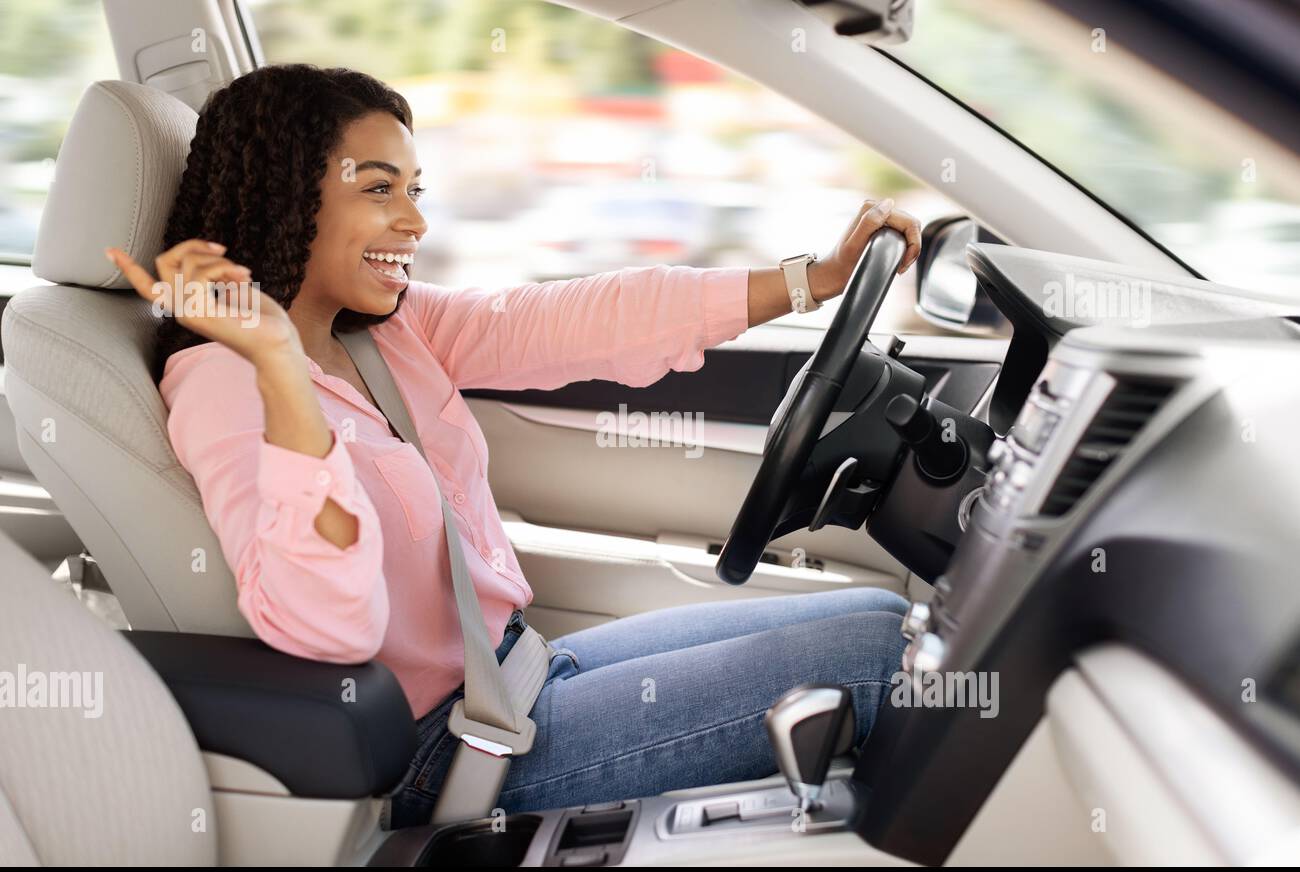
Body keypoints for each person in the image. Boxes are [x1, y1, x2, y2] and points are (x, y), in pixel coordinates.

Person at [106, 64, 923, 827]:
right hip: (450, 753)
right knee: (881, 658)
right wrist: (281, 368)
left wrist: (810, 279)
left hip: (519, 674)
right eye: (379, 189)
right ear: (287, 197)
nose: (415, 221)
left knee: (887, 616)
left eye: (415, 190)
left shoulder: (382, 330)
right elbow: (326, 630)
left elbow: (579, 320)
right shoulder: (224, 384)